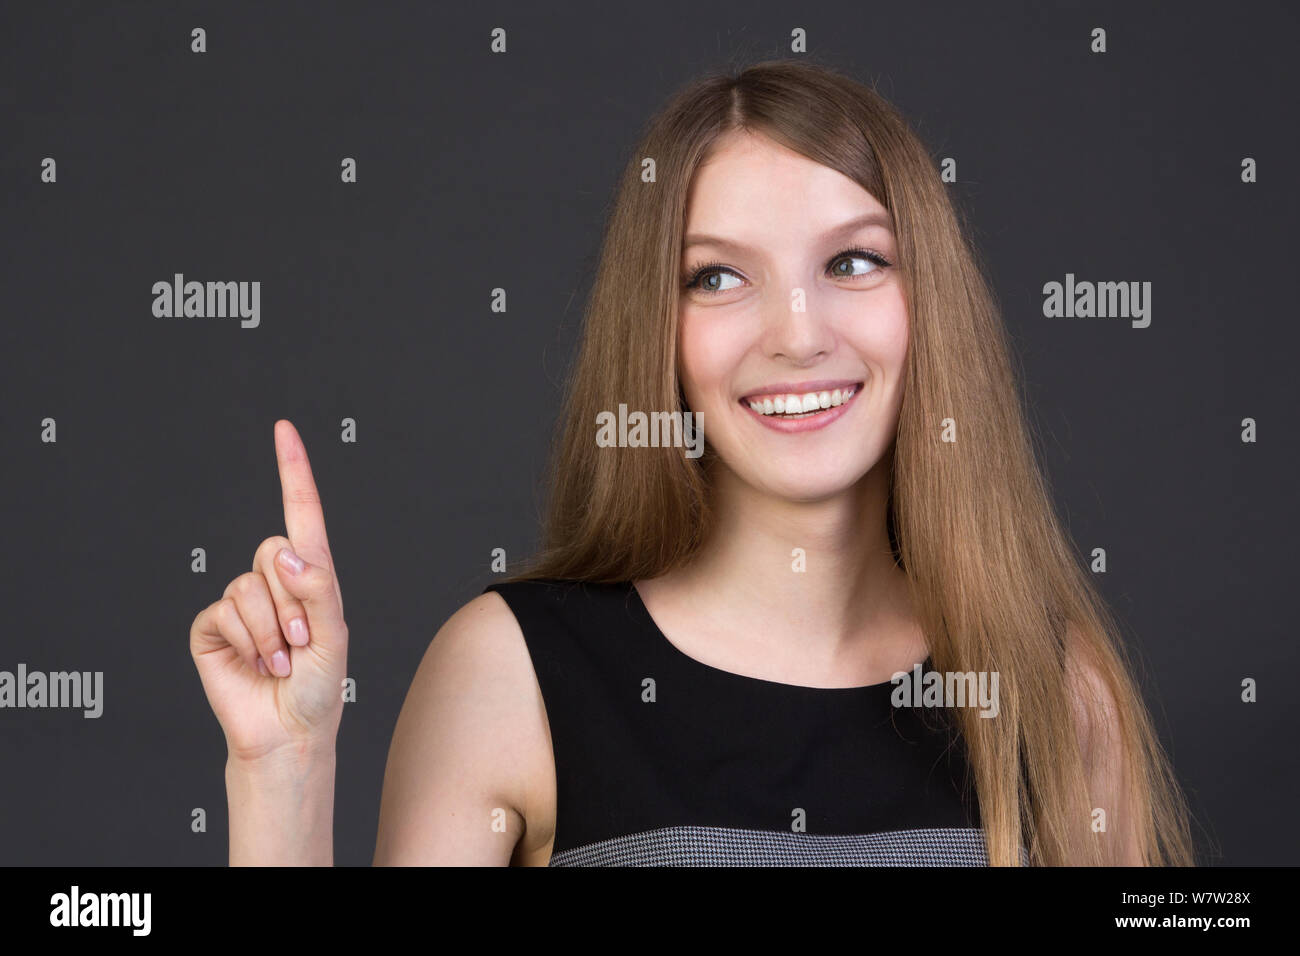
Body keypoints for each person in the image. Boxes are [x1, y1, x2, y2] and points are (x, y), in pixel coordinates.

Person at [189, 59, 1195, 866]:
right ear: (657, 334)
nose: (796, 334)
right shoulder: (510, 673)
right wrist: (283, 769)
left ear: (929, 299)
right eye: (717, 277)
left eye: (853, 260)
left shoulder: (1049, 688)